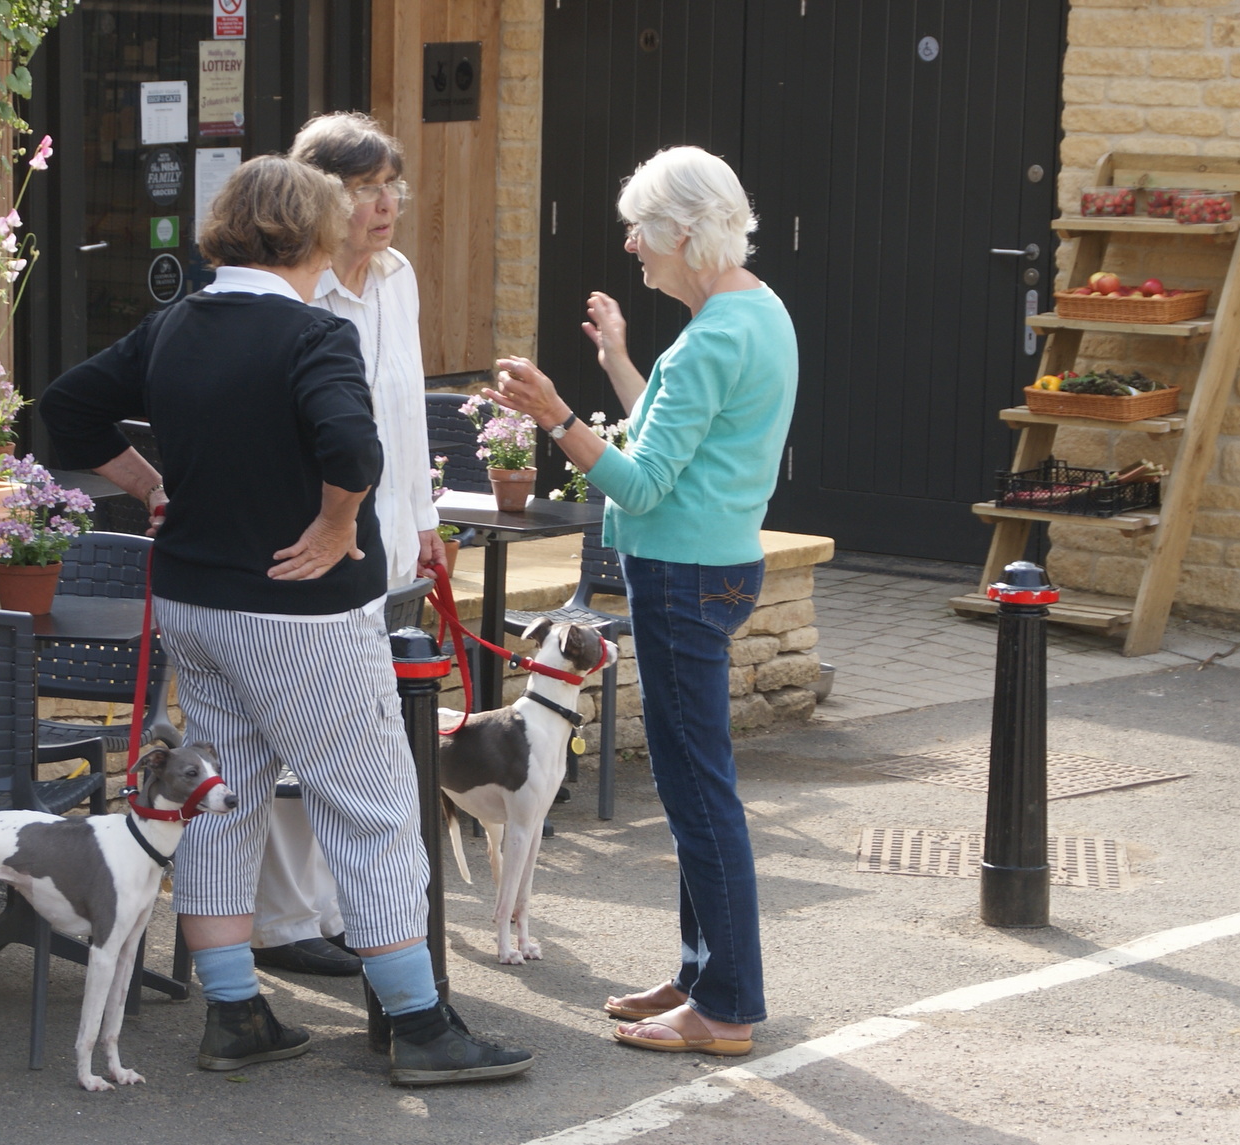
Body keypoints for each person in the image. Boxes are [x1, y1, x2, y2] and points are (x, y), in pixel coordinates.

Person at [39, 154, 532, 1086]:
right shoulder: (313, 335)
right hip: (298, 611)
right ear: (315, 234)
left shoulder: (174, 324)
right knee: (376, 806)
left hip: (193, 599)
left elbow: (68, 406)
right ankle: (422, 1026)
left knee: (222, 800)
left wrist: (151, 485)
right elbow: (355, 448)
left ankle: (235, 1012)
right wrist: (336, 523)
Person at [487, 146, 797, 1057]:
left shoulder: (711, 338)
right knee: (697, 785)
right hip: (723, 565)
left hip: (682, 574)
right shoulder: (757, 312)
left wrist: (552, 413)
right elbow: (672, 441)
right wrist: (622, 361)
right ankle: (703, 971)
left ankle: (727, 1006)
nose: (630, 244)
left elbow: (645, 481)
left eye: (642, 228)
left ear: (687, 233)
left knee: (699, 793)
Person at [245, 112, 443, 979]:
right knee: (301, 735)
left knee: (368, 736)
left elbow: (406, 408)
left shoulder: (396, 278)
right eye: (364, 187)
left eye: (391, 183)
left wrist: (428, 521)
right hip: (317, 546)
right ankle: (285, 919)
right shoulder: (294, 287)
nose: (384, 202)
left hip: (390, 543)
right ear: (322, 194)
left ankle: (342, 909)